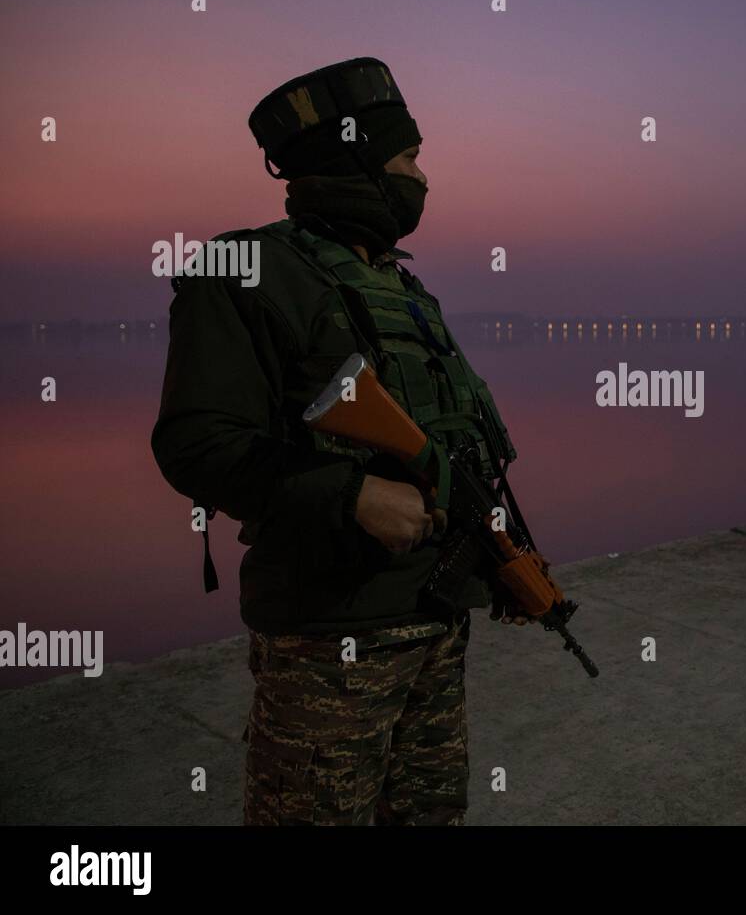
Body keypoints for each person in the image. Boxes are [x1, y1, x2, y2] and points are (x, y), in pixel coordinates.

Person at [152, 57, 529, 825]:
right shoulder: (245, 270)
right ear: (359, 160)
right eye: (410, 158)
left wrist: (498, 550)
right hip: (330, 640)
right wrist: (351, 494)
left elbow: (451, 446)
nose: (423, 178)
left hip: (435, 621)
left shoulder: (400, 287)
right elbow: (197, 443)